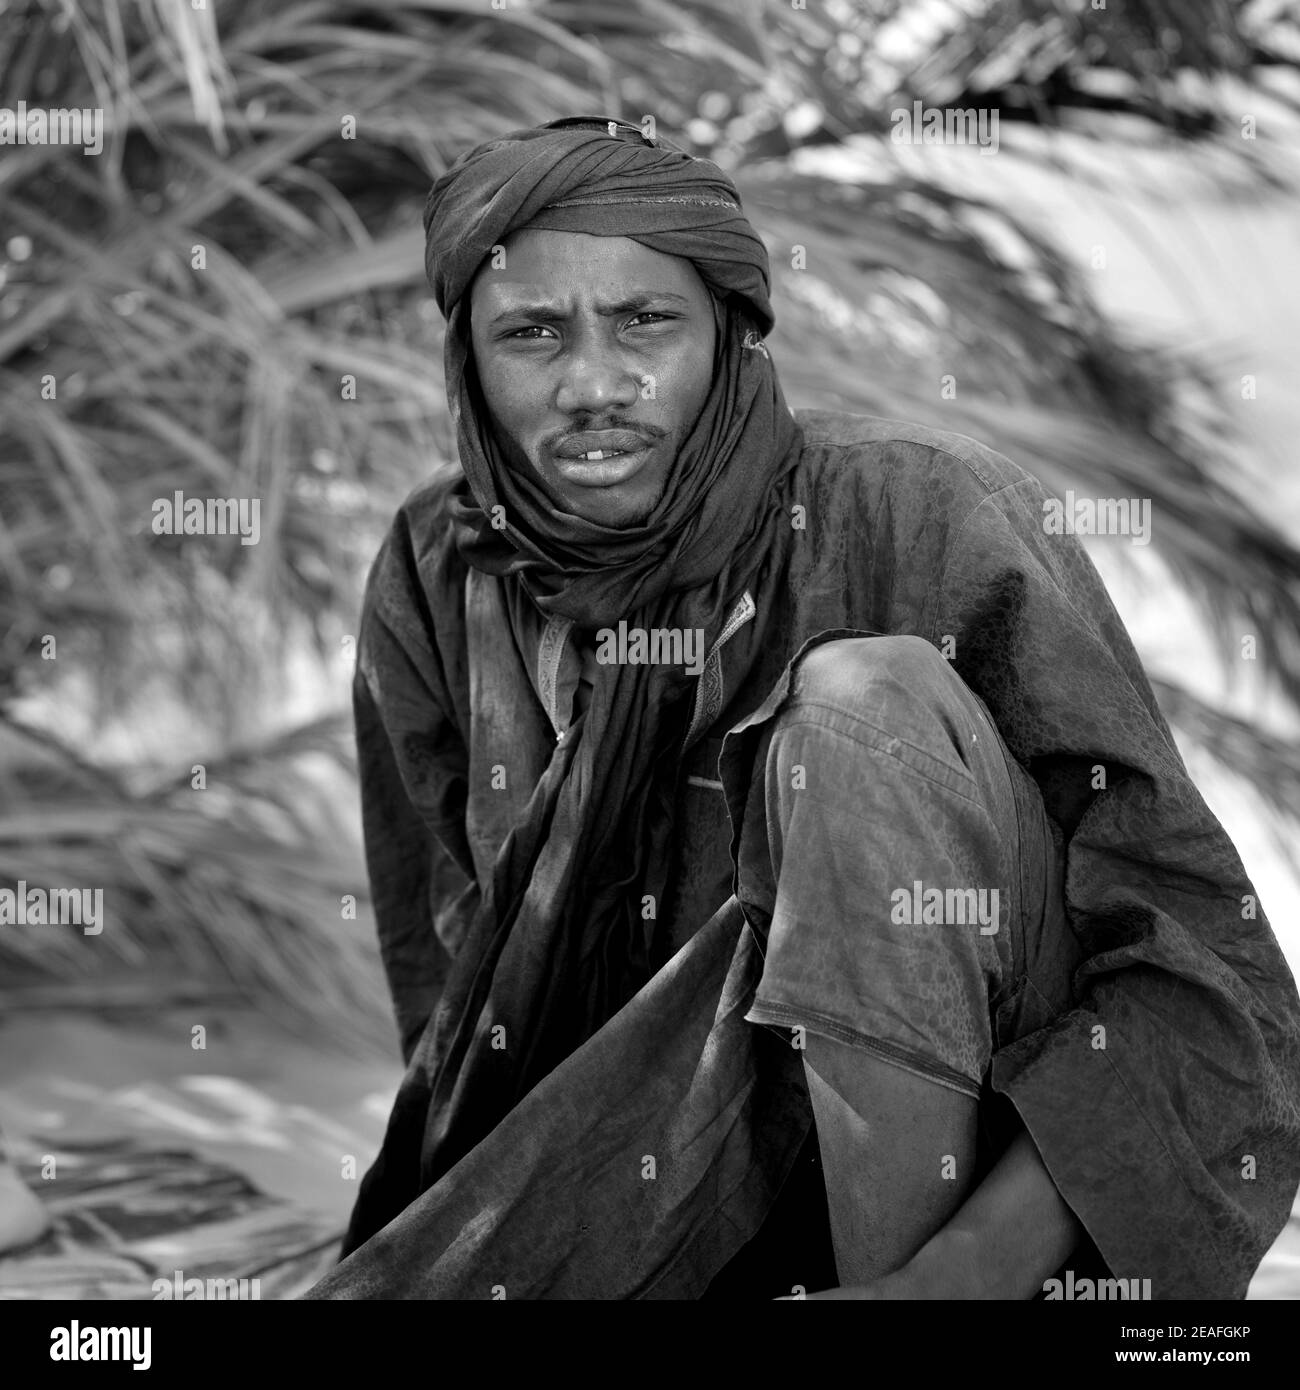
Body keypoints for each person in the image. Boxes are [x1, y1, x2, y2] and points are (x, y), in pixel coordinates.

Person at [305, 116, 1300, 1300]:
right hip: (661, 1174)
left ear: (727, 334)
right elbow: (457, 991)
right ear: (469, 357)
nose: (593, 383)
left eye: (645, 322)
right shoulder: (436, 565)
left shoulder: (916, 510)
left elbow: (1200, 967)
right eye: (531, 332)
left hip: (995, 1210)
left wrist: (965, 1271)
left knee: (853, 707)